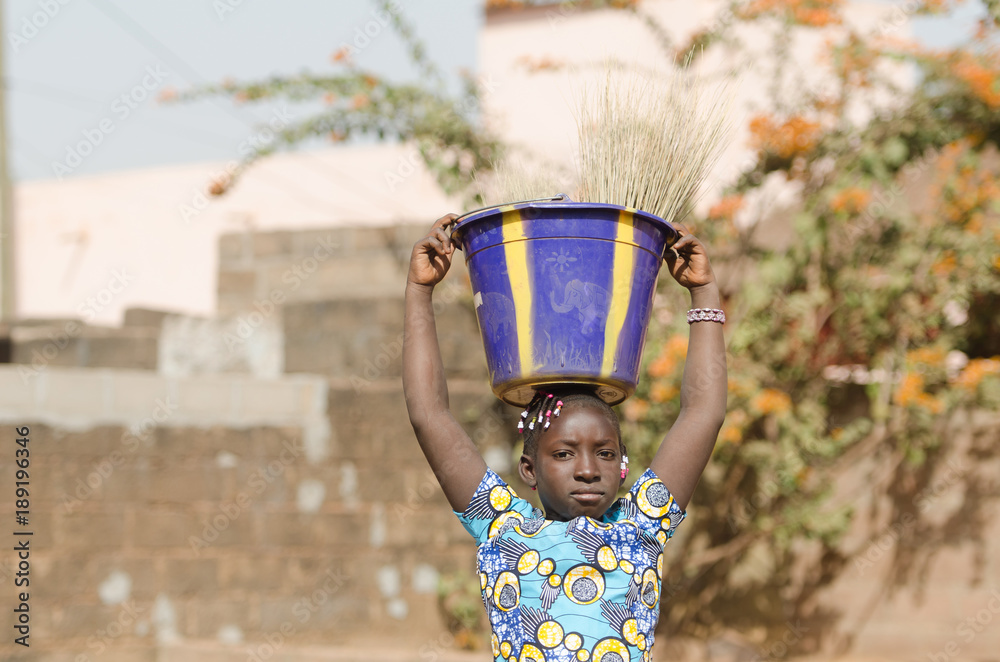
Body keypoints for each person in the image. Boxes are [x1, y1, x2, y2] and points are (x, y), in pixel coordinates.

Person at [403, 213, 727, 662]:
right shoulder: (502, 529)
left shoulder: (641, 527)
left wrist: (703, 292)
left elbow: (702, 416)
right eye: (563, 453)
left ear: (624, 465)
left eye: (605, 453)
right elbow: (430, 416)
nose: (589, 469)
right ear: (529, 469)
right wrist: (420, 293)